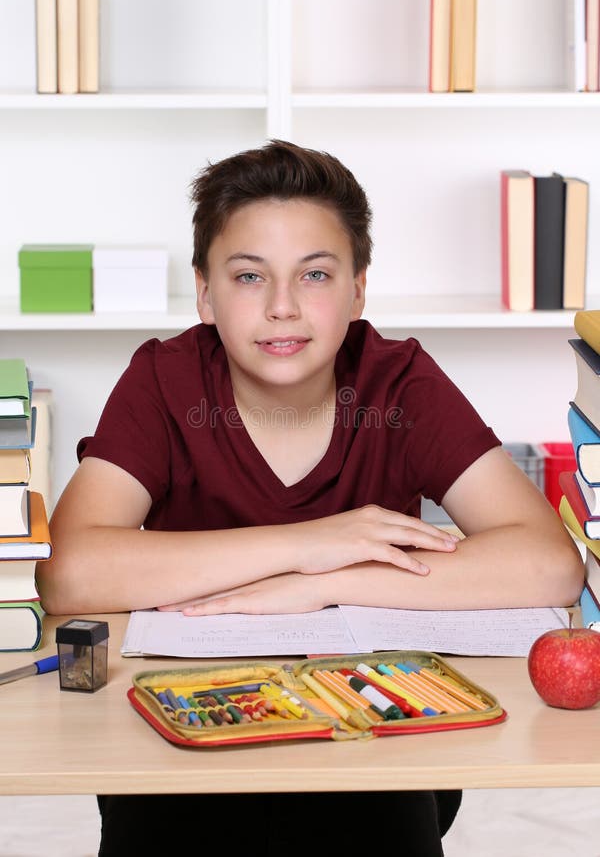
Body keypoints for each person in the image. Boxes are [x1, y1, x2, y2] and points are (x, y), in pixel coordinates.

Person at [37, 140, 583, 857]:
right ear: (205, 292)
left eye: (316, 274)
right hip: (182, 746)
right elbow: (70, 570)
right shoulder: (164, 382)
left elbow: (547, 564)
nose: (283, 308)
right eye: (249, 276)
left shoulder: (398, 384)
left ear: (358, 288)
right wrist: (307, 542)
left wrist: (320, 585)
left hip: (371, 749)